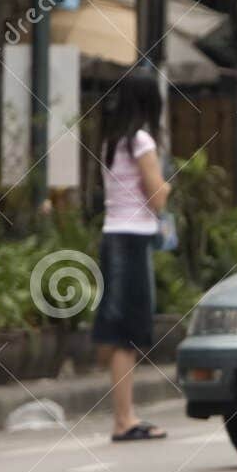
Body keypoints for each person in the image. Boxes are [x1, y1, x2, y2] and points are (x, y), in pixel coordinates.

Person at [94, 69, 170, 441]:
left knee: (117, 328)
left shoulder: (113, 140)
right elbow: (156, 196)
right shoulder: (140, 141)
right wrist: (167, 187)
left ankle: (125, 414)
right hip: (132, 237)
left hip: (112, 236)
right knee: (127, 332)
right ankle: (123, 418)